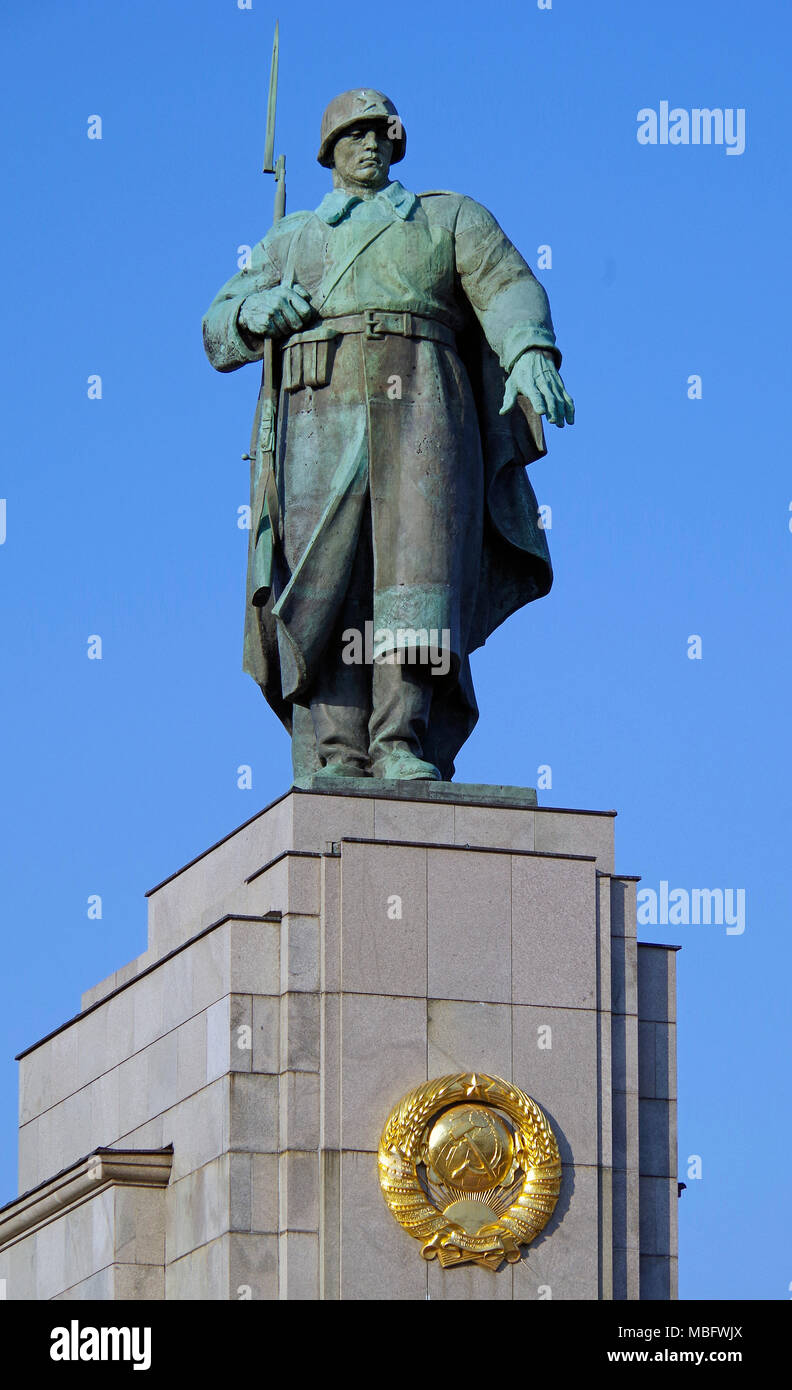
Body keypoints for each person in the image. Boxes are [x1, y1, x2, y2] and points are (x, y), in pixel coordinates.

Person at [203, 89, 574, 784]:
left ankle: (401, 738)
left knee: (418, 575)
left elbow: (508, 285)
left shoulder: (448, 216)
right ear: (329, 152)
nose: (370, 145)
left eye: (381, 133)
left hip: (425, 402)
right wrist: (257, 308)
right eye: (354, 135)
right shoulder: (292, 239)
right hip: (320, 404)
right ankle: (340, 750)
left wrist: (528, 351)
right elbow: (217, 329)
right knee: (326, 580)